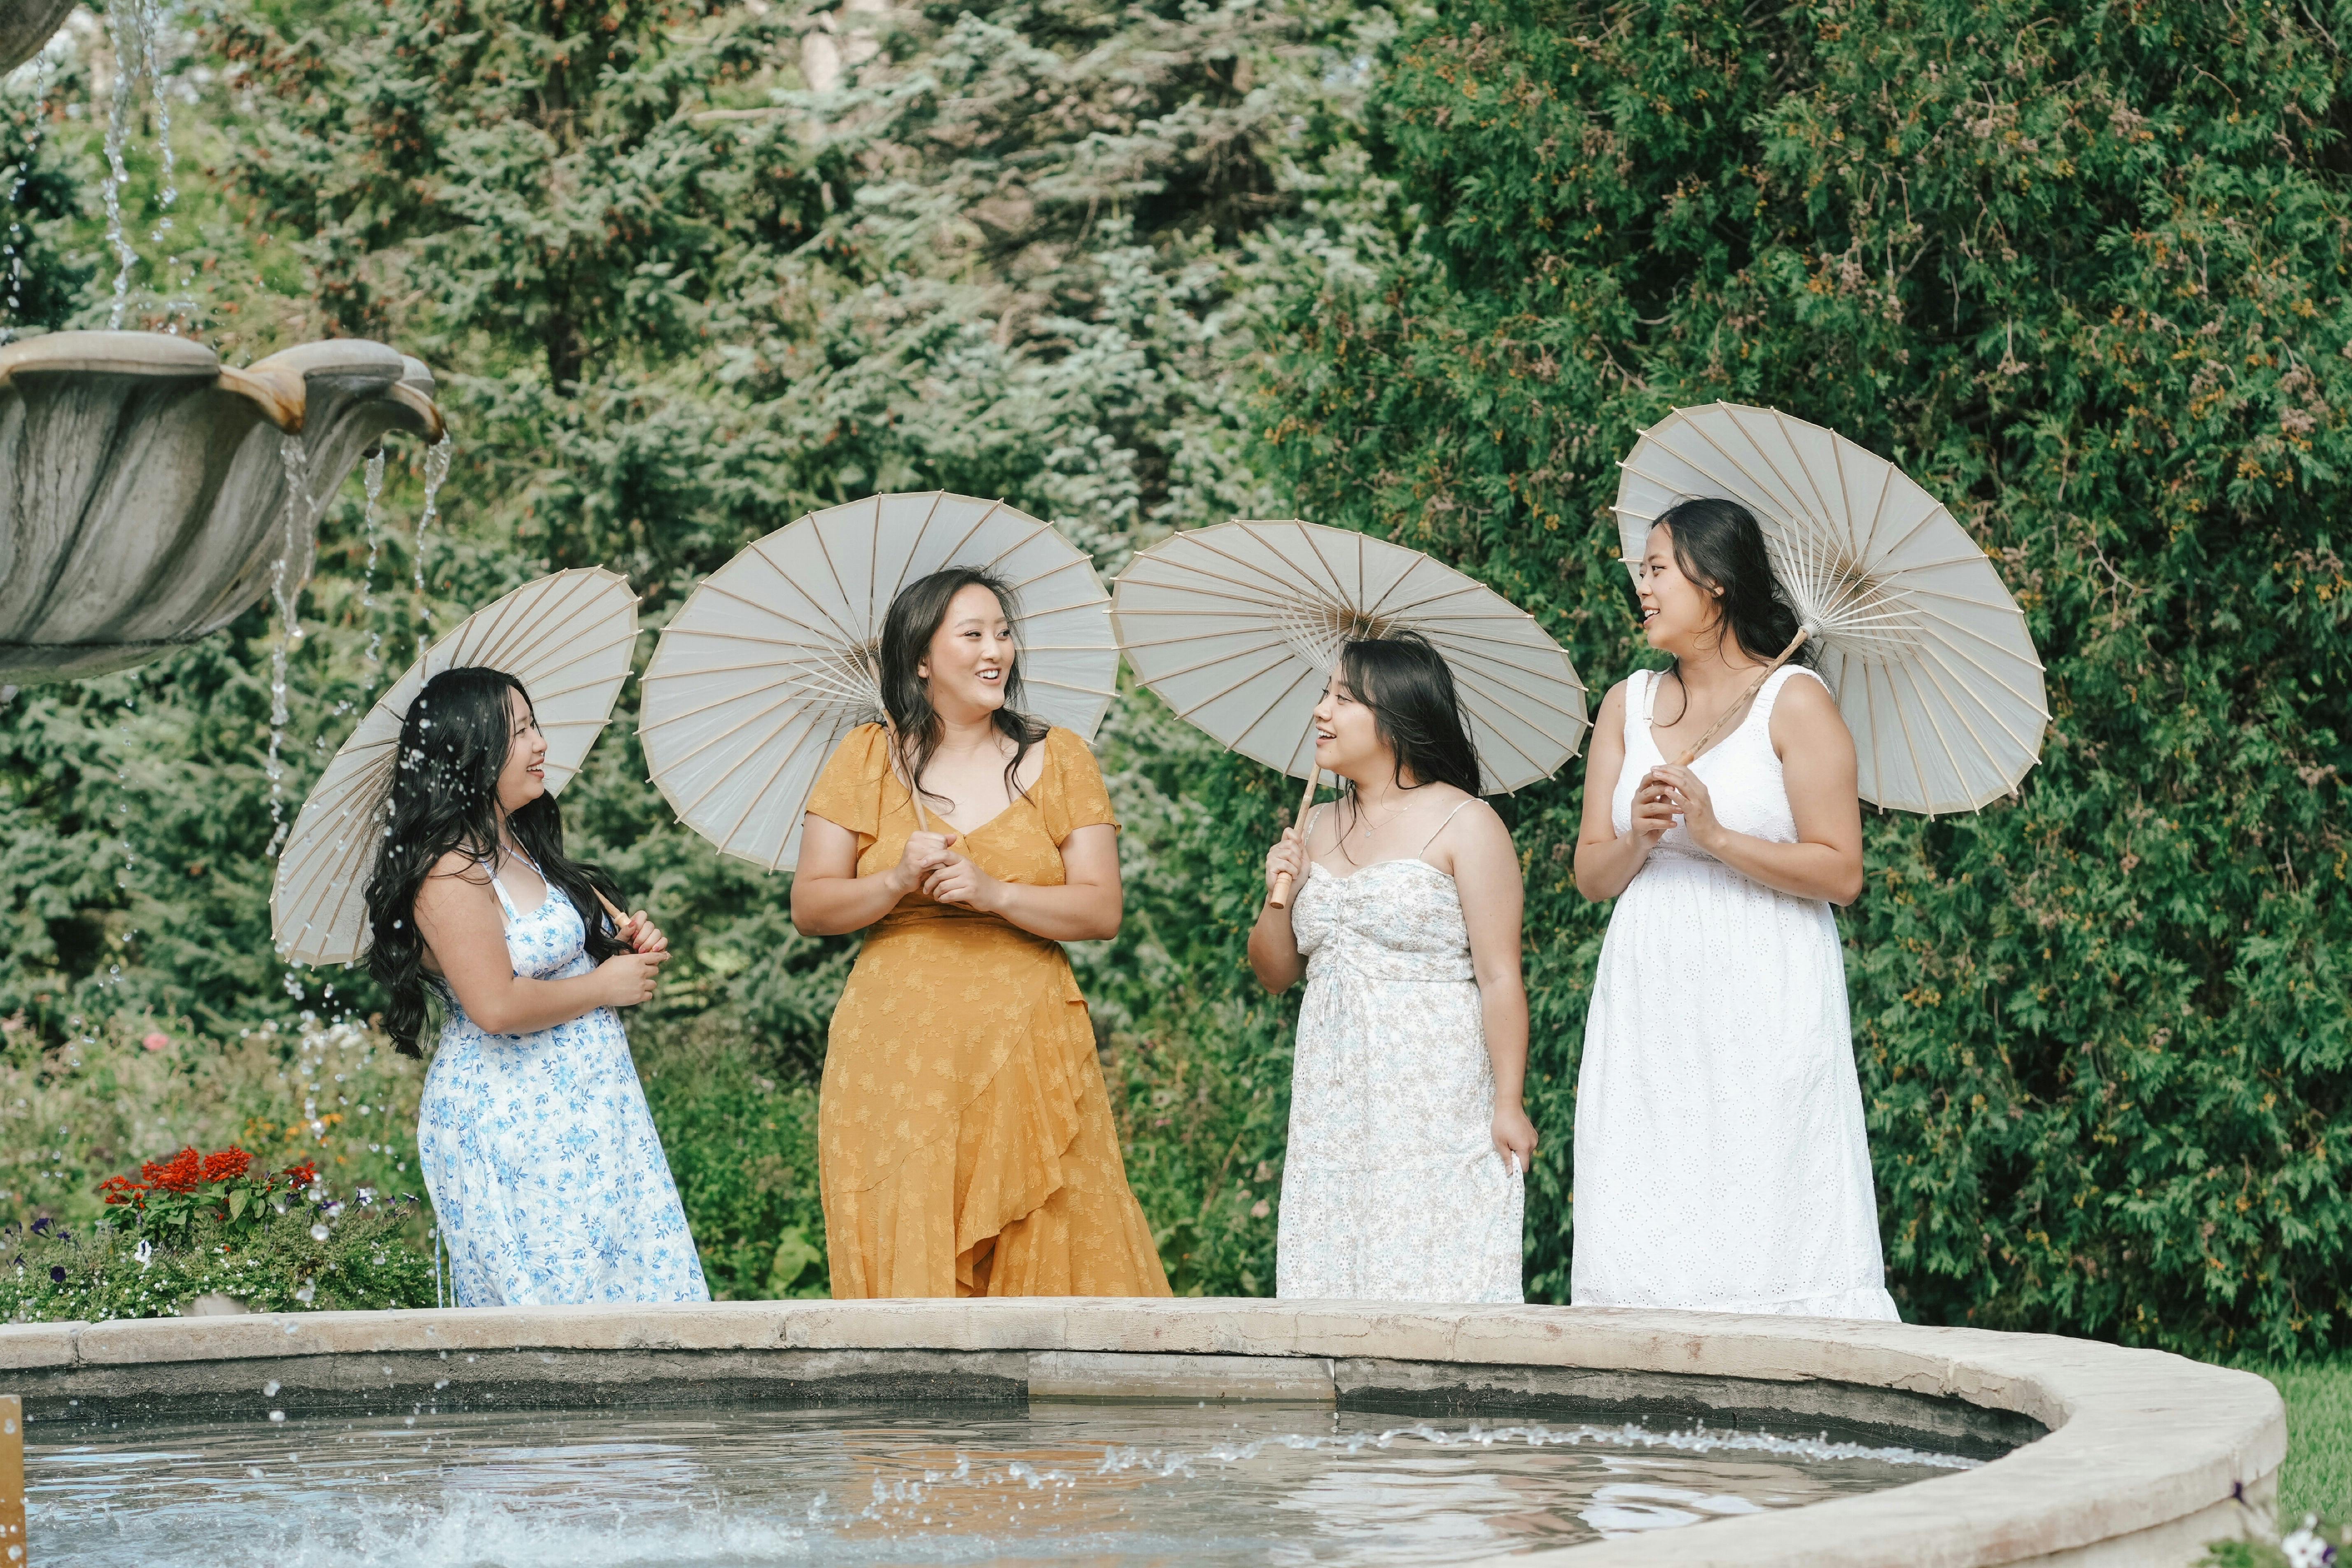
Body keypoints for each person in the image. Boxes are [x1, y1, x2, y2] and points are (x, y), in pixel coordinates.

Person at [791, 567, 1169, 1299]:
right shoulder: (866, 758)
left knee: (1053, 1237)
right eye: (973, 635)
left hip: (1027, 1042)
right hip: (896, 1055)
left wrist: (995, 893)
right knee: (910, 1247)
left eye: (1003, 632)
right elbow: (812, 907)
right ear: (922, 659)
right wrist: (896, 881)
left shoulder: (1058, 757)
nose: (997, 649)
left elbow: (1100, 911)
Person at [1570, 497, 1898, 1320]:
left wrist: (1715, 833)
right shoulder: (1626, 702)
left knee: (1760, 1171)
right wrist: (1640, 836)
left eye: (1656, 569)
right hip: (1651, 974)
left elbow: (1842, 870)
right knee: (1652, 1169)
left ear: (1714, 582)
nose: (1640, 586)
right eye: (1639, 570)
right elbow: (1589, 873)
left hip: (1765, 970)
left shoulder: (1796, 700)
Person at [364, 666, 709, 1307]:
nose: (540, 743)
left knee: (629, 1302)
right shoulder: (449, 870)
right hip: (515, 1119)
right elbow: (495, 1005)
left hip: (590, 1111)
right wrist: (606, 986)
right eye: (520, 731)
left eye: (535, 726)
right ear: (473, 750)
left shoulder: (521, 844)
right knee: (561, 1313)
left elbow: (562, 960)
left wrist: (620, 947)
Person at [1250, 633, 1533, 1302]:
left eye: (1343, 698)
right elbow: (1274, 973)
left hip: (1435, 1091)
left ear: (1397, 716)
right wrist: (1277, 892)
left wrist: (1509, 1103)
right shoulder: (1313, 825)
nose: (1321, 711)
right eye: (1325, 695)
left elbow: (1500, 977)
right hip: (1334, 1093)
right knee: (1337, 1269)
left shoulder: (1468, 823)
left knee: (1438, 1265)